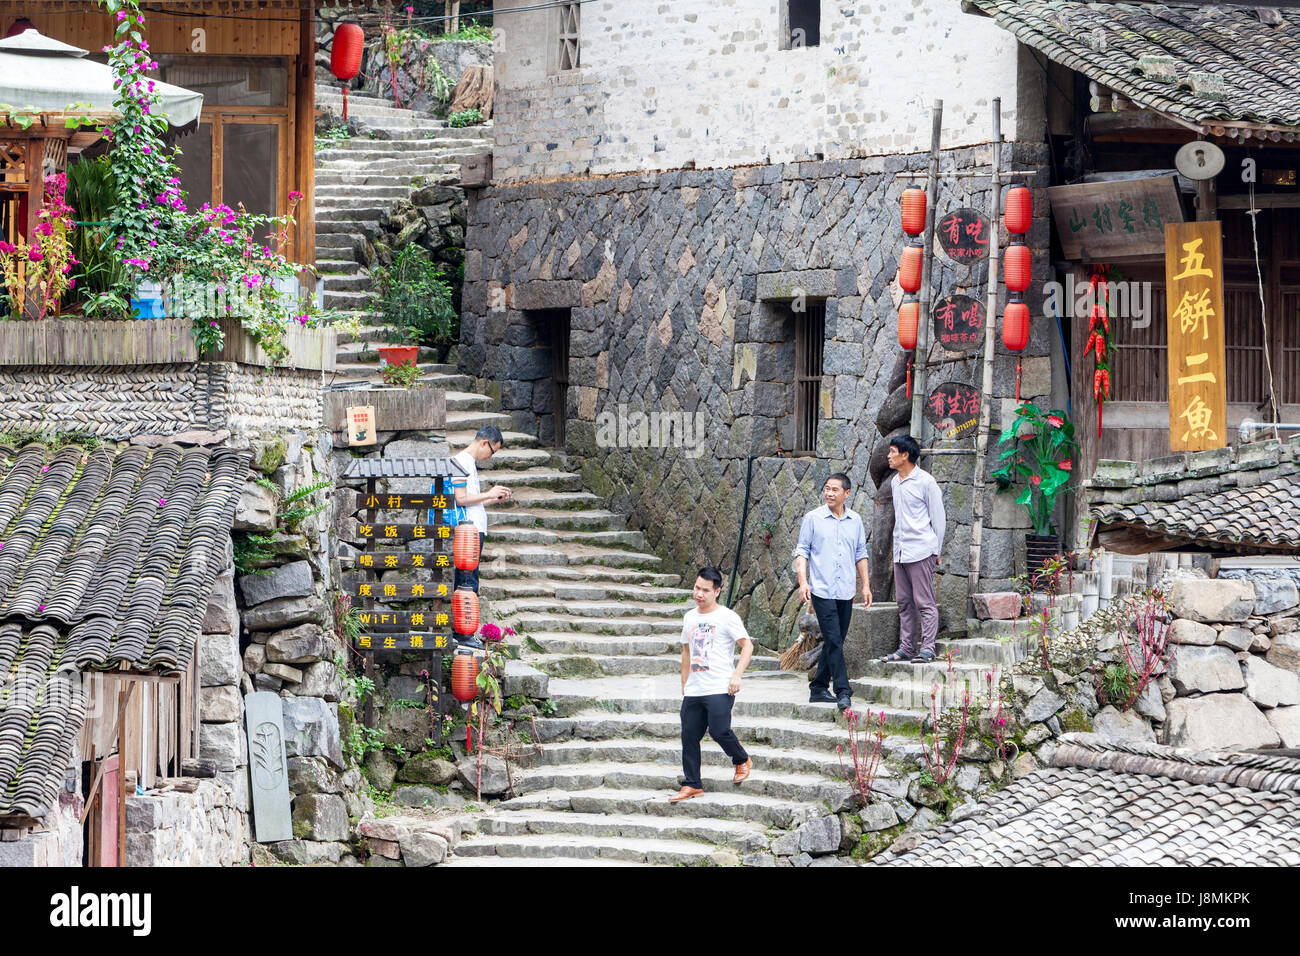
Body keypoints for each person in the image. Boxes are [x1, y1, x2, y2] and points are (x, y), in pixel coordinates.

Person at [670, 567, 755, 803]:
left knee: (719, 730)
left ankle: (741, 759)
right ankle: (692, 784)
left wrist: (737, 675)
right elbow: (686, 651)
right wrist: (684, 683)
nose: (699, 594)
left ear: (716, 592)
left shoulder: (727, 617)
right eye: (697, 588)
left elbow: (747, 646)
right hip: (695, 688)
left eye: (705, 590)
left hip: (720, 686)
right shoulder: (689, 617)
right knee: (689, 736)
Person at [793, 473, 871, 711]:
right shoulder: (813, 518)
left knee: (835, 640)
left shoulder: (855, 520)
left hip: (846, 590)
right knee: (835, 640)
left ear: (847, 493)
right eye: (827, 488)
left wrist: (866, 585)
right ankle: (843, 690)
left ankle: (817, 687)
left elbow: (860, 553)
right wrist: (803, 582)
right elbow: (802, 552)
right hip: (822, 589)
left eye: (834, 490)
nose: (829, 493)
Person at [878, 434, 946, 665]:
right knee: (904, 602)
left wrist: (936, 550)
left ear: (905, 455)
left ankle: (927, 649)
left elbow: (938, 518)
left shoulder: (926, 482)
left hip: (921, 549)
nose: (889, 456)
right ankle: (906, 648)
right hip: (901, 550)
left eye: (893, 452)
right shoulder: (895, 482)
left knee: (924, 602)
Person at [446, 426, 511, 649]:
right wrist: (489, 493)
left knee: (470, 579)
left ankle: (465, 633)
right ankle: (462, 634)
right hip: (467, 532)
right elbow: (461, 499)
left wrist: (493, 498)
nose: (491, 457)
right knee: (466, 581)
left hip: (473, 530)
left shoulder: (468, 464)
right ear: (484, 443)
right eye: (493, 451)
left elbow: (470, 499)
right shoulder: (460, 462)